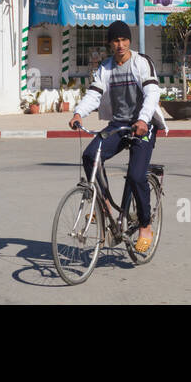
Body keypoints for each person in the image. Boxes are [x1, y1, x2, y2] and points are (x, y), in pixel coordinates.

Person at [67, 20, 165, 254]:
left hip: (144, 125)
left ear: (129, 41)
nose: (120, 44)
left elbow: (152, 93)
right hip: (119, 125)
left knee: (135, 175)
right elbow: (94, 94)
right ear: (110, 44)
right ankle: (105, 205)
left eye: (123, 40)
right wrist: (79, 112)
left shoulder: (141, 63)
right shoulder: (106, 67)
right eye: (115, 40)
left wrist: (142, 120)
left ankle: (145, 225)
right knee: (90, 156)